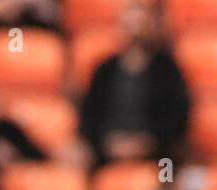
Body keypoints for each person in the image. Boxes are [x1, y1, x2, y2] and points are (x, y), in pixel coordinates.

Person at [79, 0, 190, 167]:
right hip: (105, 153)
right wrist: (108, 143)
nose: (135, 29)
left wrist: (146, 143)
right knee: (74, 162)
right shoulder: (103, 70)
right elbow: (89, 116)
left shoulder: (168, 70)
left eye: (141, 22)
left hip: (157, 154)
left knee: (174, 171)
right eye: (130, 22)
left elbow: (177, 118)